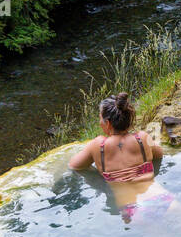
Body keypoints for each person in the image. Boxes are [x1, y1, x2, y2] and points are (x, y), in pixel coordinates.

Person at [68, 92, 173, 221]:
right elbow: (158, 155)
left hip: (132, 207)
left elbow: (74, 166)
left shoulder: (98, 145)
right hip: (161, 197)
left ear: (108, 123)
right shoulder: (143, 138)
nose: (99, 122)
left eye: (100, 118)